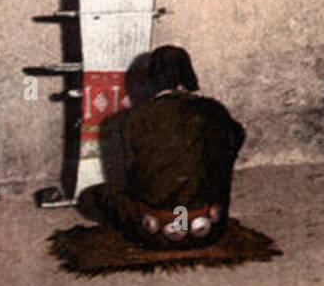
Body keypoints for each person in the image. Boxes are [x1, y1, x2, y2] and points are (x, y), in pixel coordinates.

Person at [78, 46, 245, 249]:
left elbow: (131, 175)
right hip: (211, 230)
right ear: (189, 75)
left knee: (92, 197)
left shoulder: (133, 119)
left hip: (153, 233)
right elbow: (237, 139)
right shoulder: (214, 109)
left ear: (151, 80)